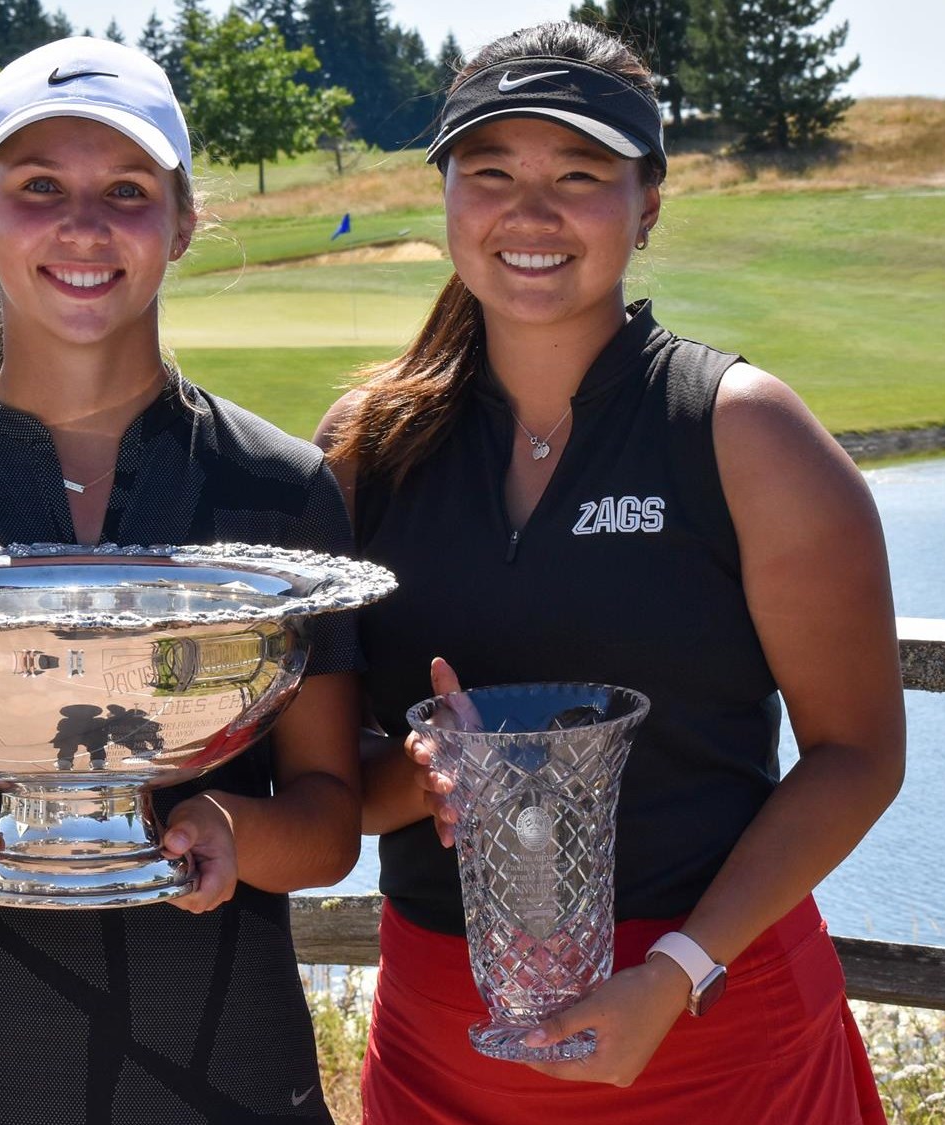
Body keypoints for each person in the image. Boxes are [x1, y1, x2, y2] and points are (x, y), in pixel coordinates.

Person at [315, 21, 904, 1124]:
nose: (528, 213)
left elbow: (857, 756)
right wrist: (418, 778)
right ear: (445, 196)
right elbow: (323, 776)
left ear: (646, 206)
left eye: (578, 175)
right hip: (444, 1033)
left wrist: (675, 970)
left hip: (704, 1020)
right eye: (489, 173)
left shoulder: (741, 431)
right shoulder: (365, 447)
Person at [0, 37, 361, 1124]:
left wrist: (237, 834)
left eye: (126, 190)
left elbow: (330, 821)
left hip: (222, 1062)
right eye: (38, 189)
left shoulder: (282, 491)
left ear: (183, 220)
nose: (83, 226)